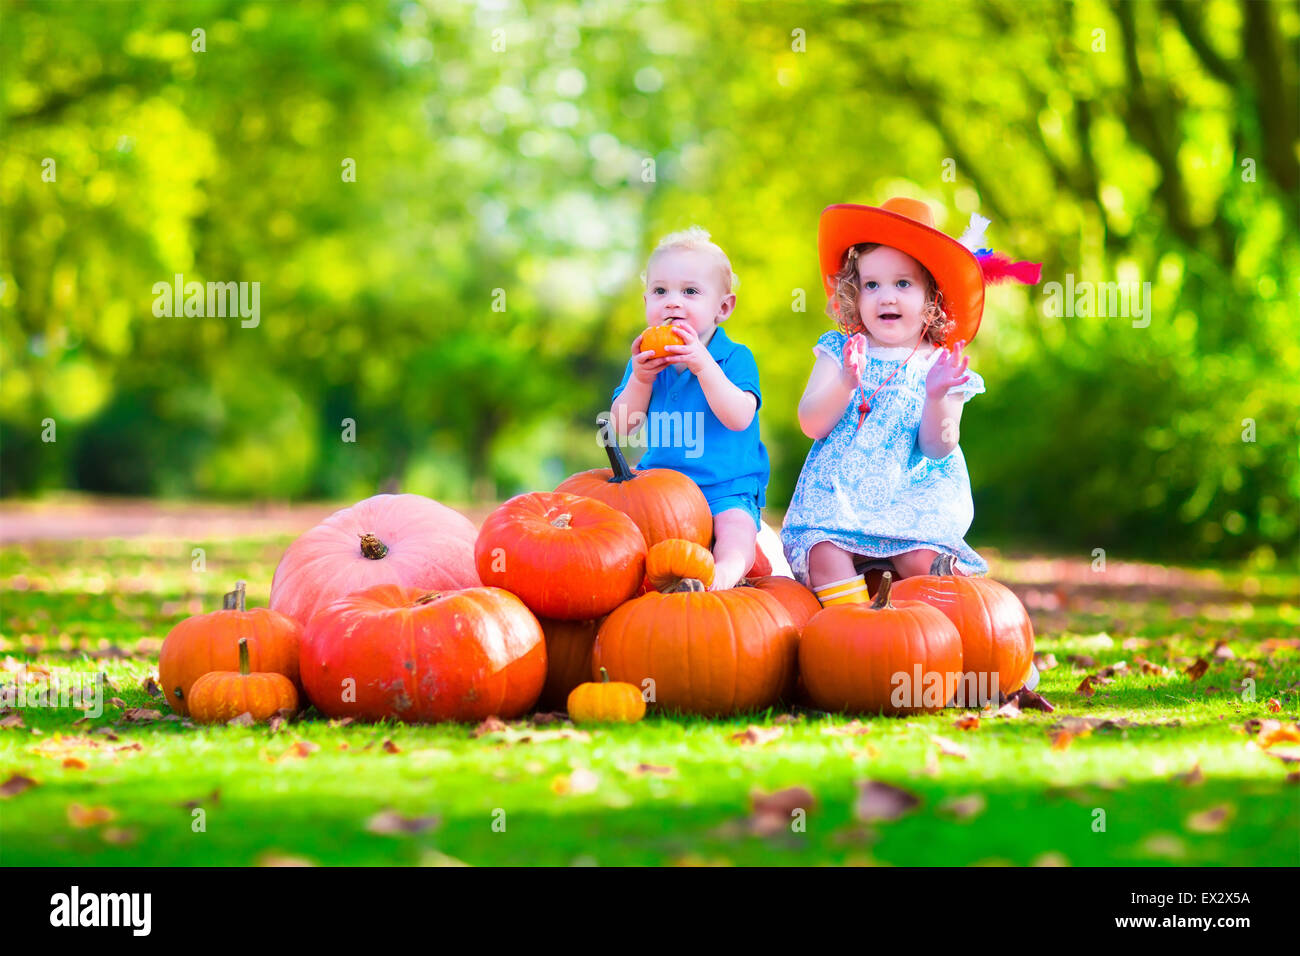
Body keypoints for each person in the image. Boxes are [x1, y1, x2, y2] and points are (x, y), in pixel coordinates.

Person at [782, 197, 1041, 625]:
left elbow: (938, 447)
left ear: (930, 297)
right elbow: (812, 422)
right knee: (825, 554)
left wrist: (938, 394)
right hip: (839, 500)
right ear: (854, 291)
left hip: (911, 499)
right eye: (872, 285)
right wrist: (847, 382)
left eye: (903, 284)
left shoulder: (938, 364)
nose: (887, 296)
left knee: (923, 560)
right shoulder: (839, 350)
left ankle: (955, 641)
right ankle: (857, 637)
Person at [609, 227, 770, 591]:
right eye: (660, 291)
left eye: (690, 292)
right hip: (662, 490)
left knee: (735, 531)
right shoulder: (646, 361)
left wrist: (703, 366)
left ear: (723, 307)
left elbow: (739, 416)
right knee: (622, 532)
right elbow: (622, 426)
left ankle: (721, 577)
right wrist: (640, 380)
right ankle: (630, 585)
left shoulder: (734, 357)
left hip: (724, 487)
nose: (672, 302)